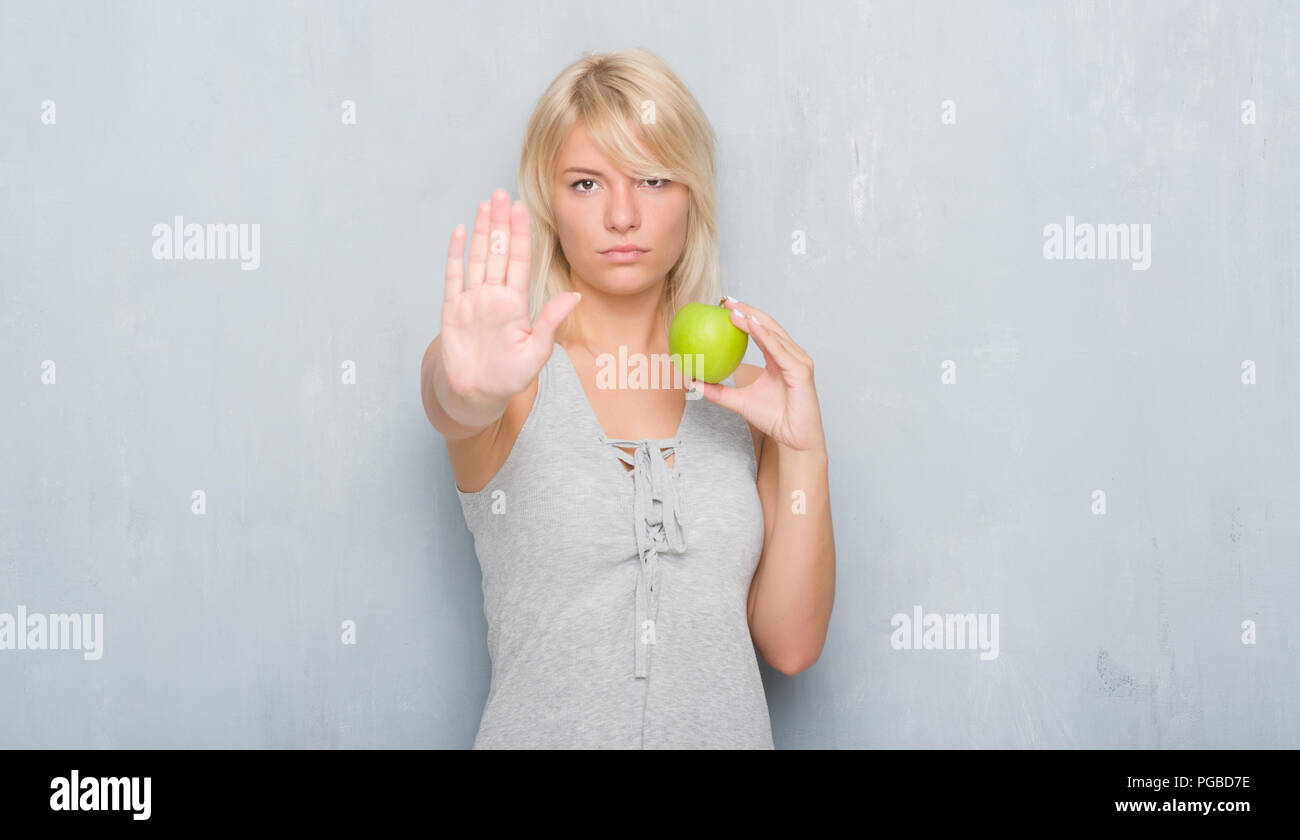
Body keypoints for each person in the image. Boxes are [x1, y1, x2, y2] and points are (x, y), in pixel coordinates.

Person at [420, 48, 835, 749]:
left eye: (651, 179)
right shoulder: (506, 377)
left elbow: (790, 646)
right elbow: (454, 398)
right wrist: (462, 388)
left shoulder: (745, 408)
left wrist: (803, 451)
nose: (620, 214)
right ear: (550, 201)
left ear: (692, 194)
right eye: (585, 183)